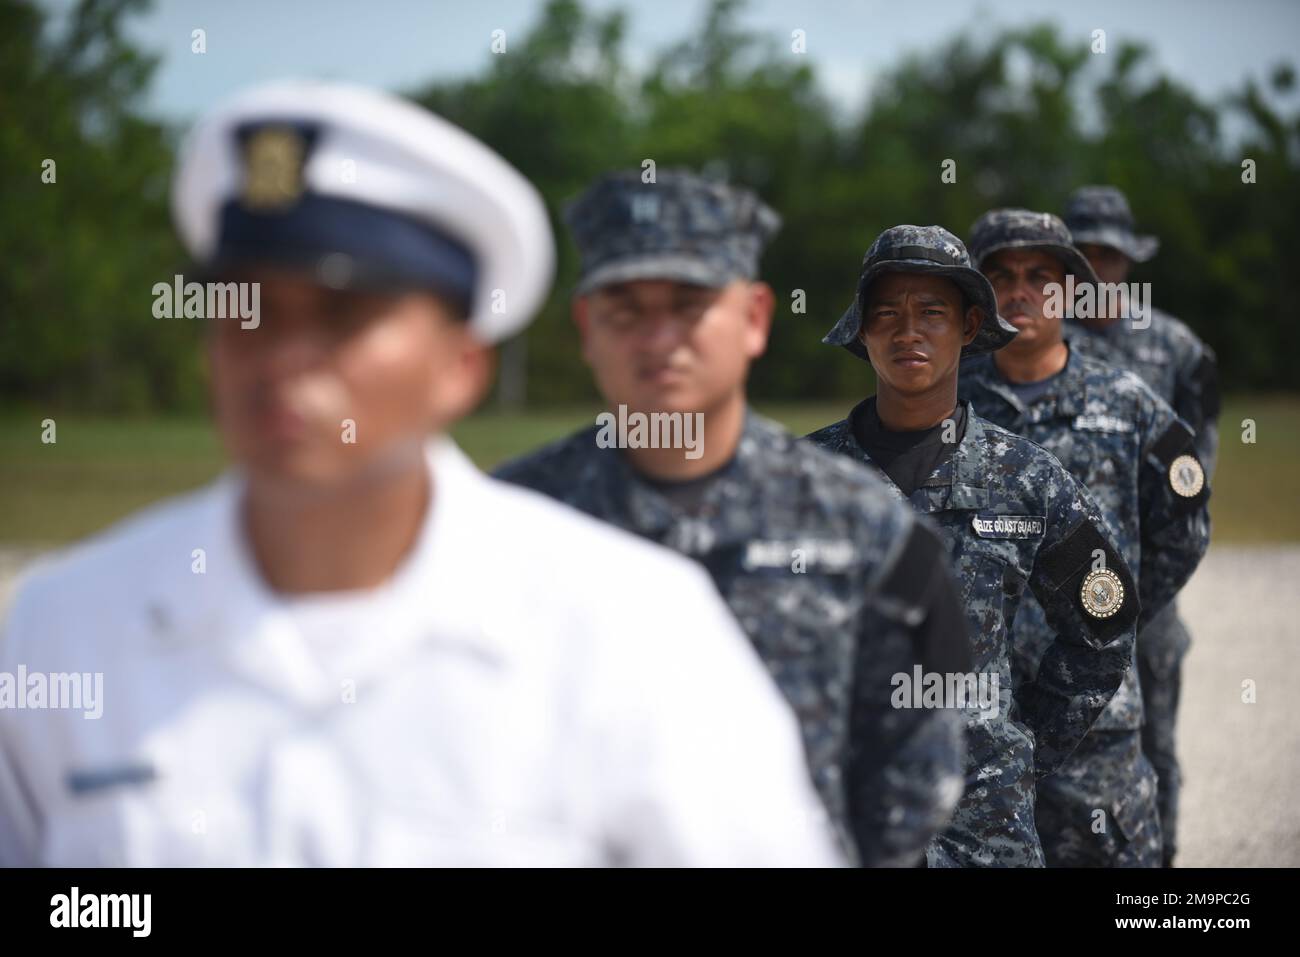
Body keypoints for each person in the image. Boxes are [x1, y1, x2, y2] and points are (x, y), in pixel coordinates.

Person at [0, 81, 842, 867]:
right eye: (244, 306)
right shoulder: (65, 629)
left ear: (461, 365)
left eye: (342, 313)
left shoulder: (632, 634)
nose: (282, 356)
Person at [495, 170, 969, 867]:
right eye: (626, 309)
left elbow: (914, 771)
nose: (659, 338)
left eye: (689, 305)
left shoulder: (861, 524)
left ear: (753, 318)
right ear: (587, 327)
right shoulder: (505, 523)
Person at [810, 224, 1136, 867]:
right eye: (887, 314)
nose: (908, 331)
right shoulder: (806, 480)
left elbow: (1105, 622)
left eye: (931, 312)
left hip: (987, 830)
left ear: (967, 326)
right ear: (863, 331)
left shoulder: (1027, 478)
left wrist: (1021, 748)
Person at [960, 208, 1211, 867]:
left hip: (1094, 716)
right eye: (1000, 275)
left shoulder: (1125, 401)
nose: (1020, 291)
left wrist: (1117, 618)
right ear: (976, 295)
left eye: (1041, 275)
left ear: (1069, 289)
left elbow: (1184, 524)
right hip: (975, 717)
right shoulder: (947, 402)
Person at [1063, 185, 1220, 866]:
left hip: (1147, 588)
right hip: (1050, 587)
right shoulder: (1033, 342)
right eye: (1083, 254)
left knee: (1154, 741)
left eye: (1110, 254)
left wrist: (1142, 581)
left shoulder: (1179, 349)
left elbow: (1194, 476)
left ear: (1130, 260)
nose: (1097, 268)